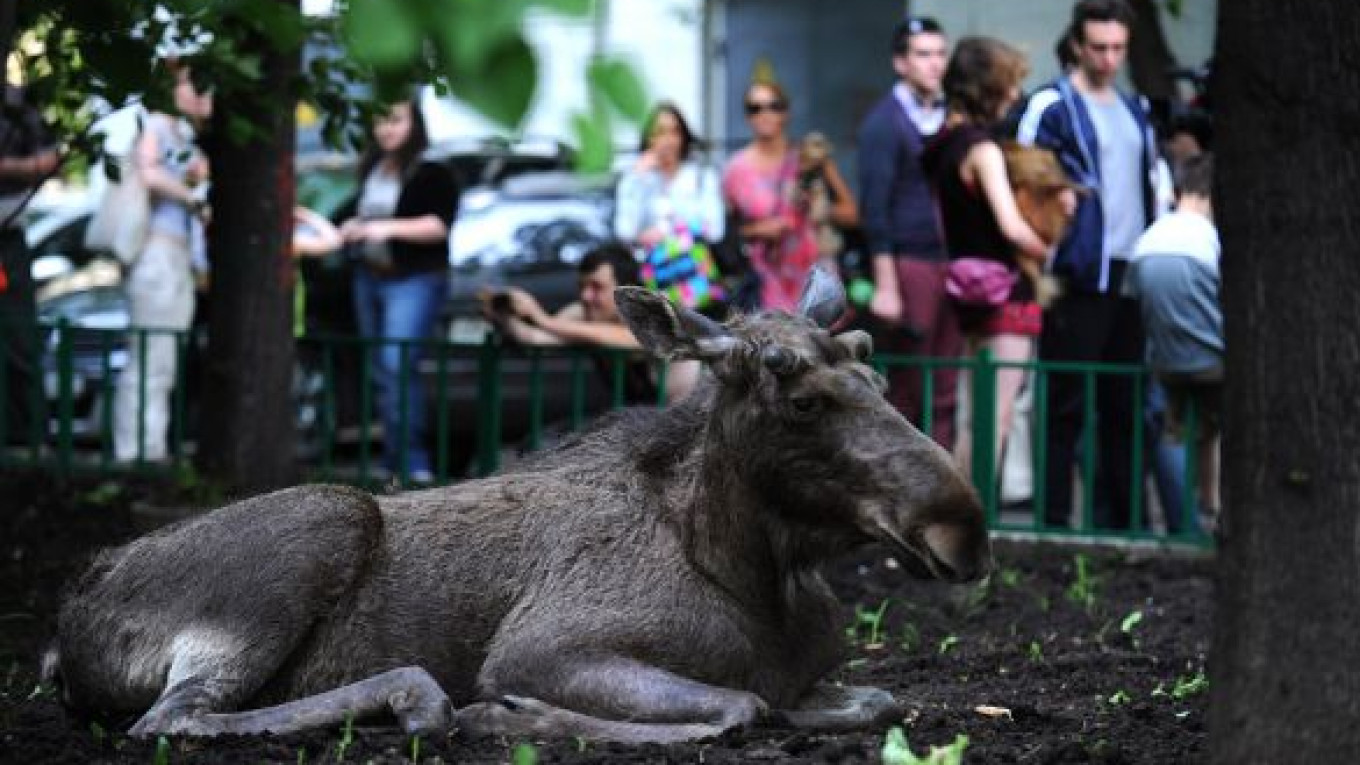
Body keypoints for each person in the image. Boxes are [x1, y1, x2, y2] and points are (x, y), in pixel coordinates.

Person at [1015, 0, 1160, 530]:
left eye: (1118, 48)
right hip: (1077, 272)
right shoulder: (1052, 105)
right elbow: (1020, 171)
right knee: (1066, 403)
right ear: (1077, 44)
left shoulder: (1135, 108)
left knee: (1127, 406)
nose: (1109, 58)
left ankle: (1126, 523)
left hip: (1130, 270)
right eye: (1099, 47)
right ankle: (1051, 521)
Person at [921, 38, 1057, 479]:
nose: (1016, 95)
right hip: (1005, 294)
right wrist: (1045, 248)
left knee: (969, 419)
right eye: (1010, 84)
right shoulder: (983, 149)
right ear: (987, 88)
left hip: (964, 289)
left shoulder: (941, 144)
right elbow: (1012, 226)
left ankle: (956, 523)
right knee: (994, 419)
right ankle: (975, 525)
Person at [338, 99, 458, 483]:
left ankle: (413, 463)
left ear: (414, 123)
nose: (387, 129)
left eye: (396, 120)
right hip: (370, 275)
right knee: (382, 370)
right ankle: (394, 461)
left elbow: (438, 225)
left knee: (397, 364)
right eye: (380, 121)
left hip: (412, 279)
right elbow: (348, 215)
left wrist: (382, 228)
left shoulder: (431, 170)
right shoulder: (374, 169)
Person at [855, 17, 958, 447]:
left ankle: (945, 497)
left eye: (940, 54)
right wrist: (887, 284)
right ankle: (902, 500)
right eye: (923, 54)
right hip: (908, 262)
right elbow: (874, 210)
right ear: (901, 62)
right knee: (907, 386)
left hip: (952, 260)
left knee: (949, 385)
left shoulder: (953, 115)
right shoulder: (884, 122)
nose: (934, 64)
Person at [112, 63, 212, 463]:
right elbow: (149, 173)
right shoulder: (155, 125)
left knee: (163, 360)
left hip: (177, 257)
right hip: (156, 253)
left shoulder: (185, 134)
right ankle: (135, 451)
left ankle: (149, 446)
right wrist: (193, 197)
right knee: (149, 356)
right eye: (191, 84)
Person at [1123, 153, 1220, 531]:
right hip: (1216, 362)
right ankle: (1211, 512)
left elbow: (1134, 304)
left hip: (1165, 363)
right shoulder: (1209, 240)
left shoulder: (1147, 240)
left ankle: (1184, 523)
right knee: (1214, 430)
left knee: (1173, 435)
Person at [481, 243, 698, 403]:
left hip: (694, 426)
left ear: (625, 289)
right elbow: (537, 339)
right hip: (650, 423)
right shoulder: (584, 314)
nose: (586, 296)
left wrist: (542, 318)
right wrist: (504, 317)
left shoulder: (650, 313)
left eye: (597, 287)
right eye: (582, 286)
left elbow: (623, 339)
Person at [723, 81, 854, 312]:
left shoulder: (810, 158)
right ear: (747, 116)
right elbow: (725, 235)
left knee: (816, 345)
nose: (765, 114)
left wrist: (821, 209)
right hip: (764, 282)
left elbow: (852, 214)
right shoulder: (735, 170)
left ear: (786, 112)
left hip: (814, 278)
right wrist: (758, 230)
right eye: (756, 108)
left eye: (774, 106)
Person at [614, 102, 727, 314]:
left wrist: (665, 234)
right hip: (653, 291)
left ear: (683, 137)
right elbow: (625, 230)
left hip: (698, 290)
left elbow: (715, 230)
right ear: (648, 138)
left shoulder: (701, 177)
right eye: (659, 132)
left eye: (674, 132)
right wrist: (639, 179)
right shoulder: (635, 179)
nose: (667, 140)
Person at [0, 85, 58, 448]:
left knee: (19, 337)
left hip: (7, 237)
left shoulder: (16, 103)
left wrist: (7, 167)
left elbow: (51, 158)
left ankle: (31, 437)